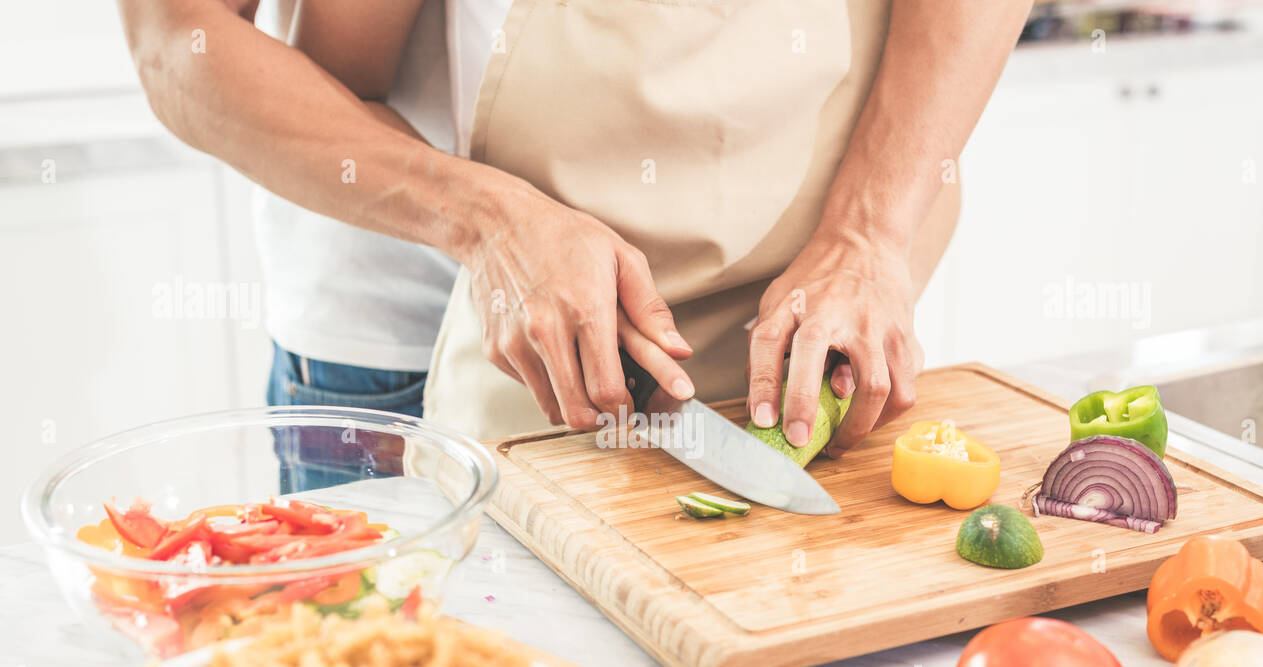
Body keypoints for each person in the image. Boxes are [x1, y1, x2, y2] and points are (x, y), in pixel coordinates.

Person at [119, 0, 1032, 464]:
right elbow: (180, 39)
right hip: (407, 354)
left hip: (805, 341)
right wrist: (485, 221)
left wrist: (870, 231)